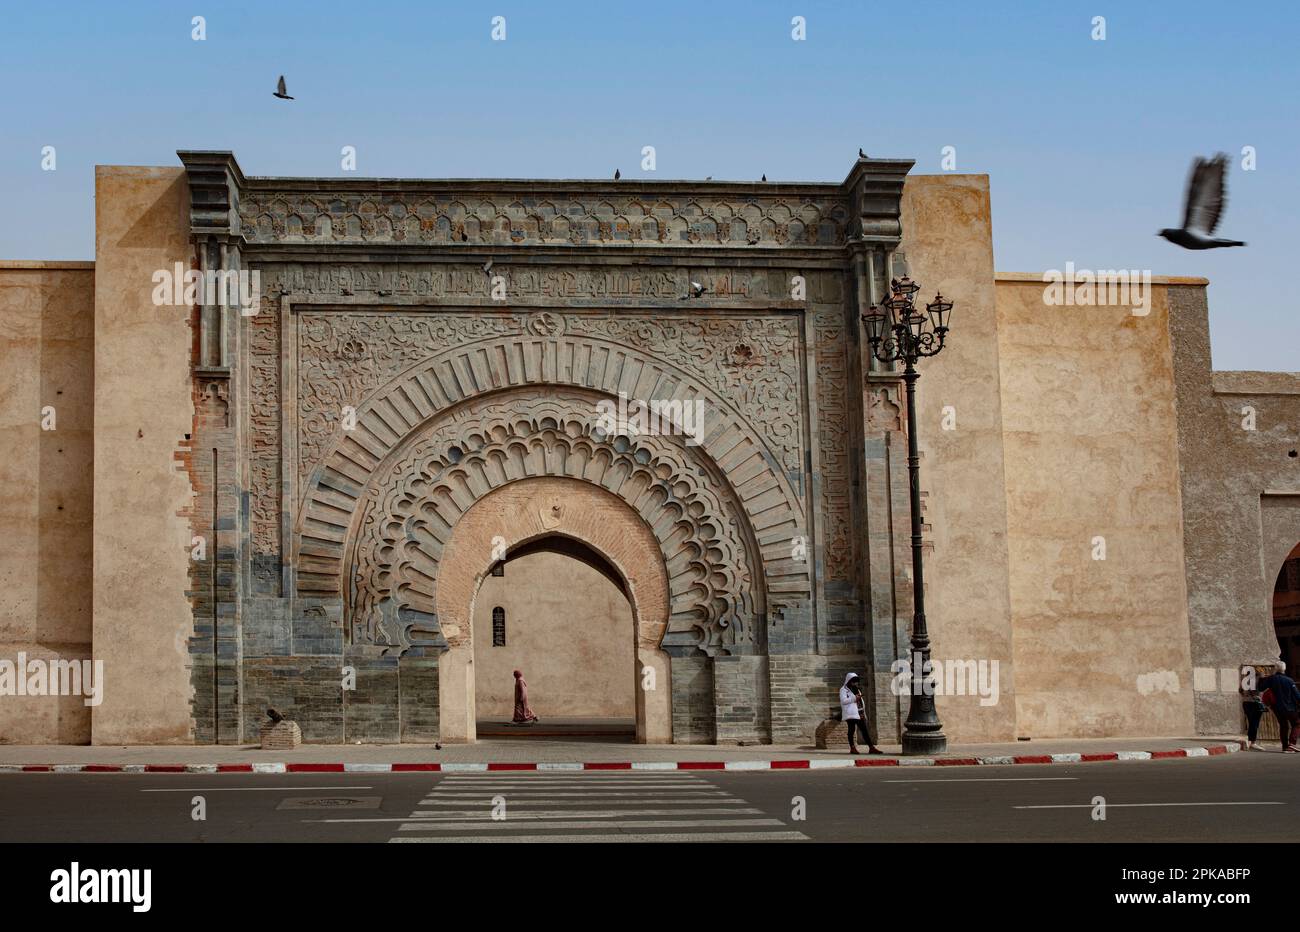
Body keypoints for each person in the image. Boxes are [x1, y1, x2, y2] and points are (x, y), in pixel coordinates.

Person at [1257, 661, 1300, 752]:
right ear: (1284, 669)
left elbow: (1260, 688)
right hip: (1290, 708)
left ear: (1275, 669)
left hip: (1277, 708)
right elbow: (1297, 696)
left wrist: (1261, 678)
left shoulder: (1271, 679)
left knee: (1283, 726)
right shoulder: (1289, 680)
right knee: (1296, 724)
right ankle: (1292, 744)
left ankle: (1285, 747)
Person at [839, 672, 882, 755]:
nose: (855, 683)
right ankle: (852, 748)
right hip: (850, 714)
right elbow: (843, 701)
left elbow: (860, 700)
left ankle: (871, 748)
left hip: (859, 712)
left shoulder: (856, 689)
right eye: (853, 681)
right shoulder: (843, 690)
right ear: (848, 681)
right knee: (851, 730)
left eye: (856, 681)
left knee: (864, 730)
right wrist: (855, 698)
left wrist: (862, 710)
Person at [1242, 666, 1267, 750]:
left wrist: (1246, 696)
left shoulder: (1245, 680)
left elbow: (1240, 690)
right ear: (1258, 673)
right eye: (1262, 672)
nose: (1263, 674)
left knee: (1251, 722)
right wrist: (1257, 697)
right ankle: (1252, 742)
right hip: (1254, 703)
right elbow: (1256, 691)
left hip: (1246, 703)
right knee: (1254, 723)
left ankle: (1250, 742)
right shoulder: (1257, 679)